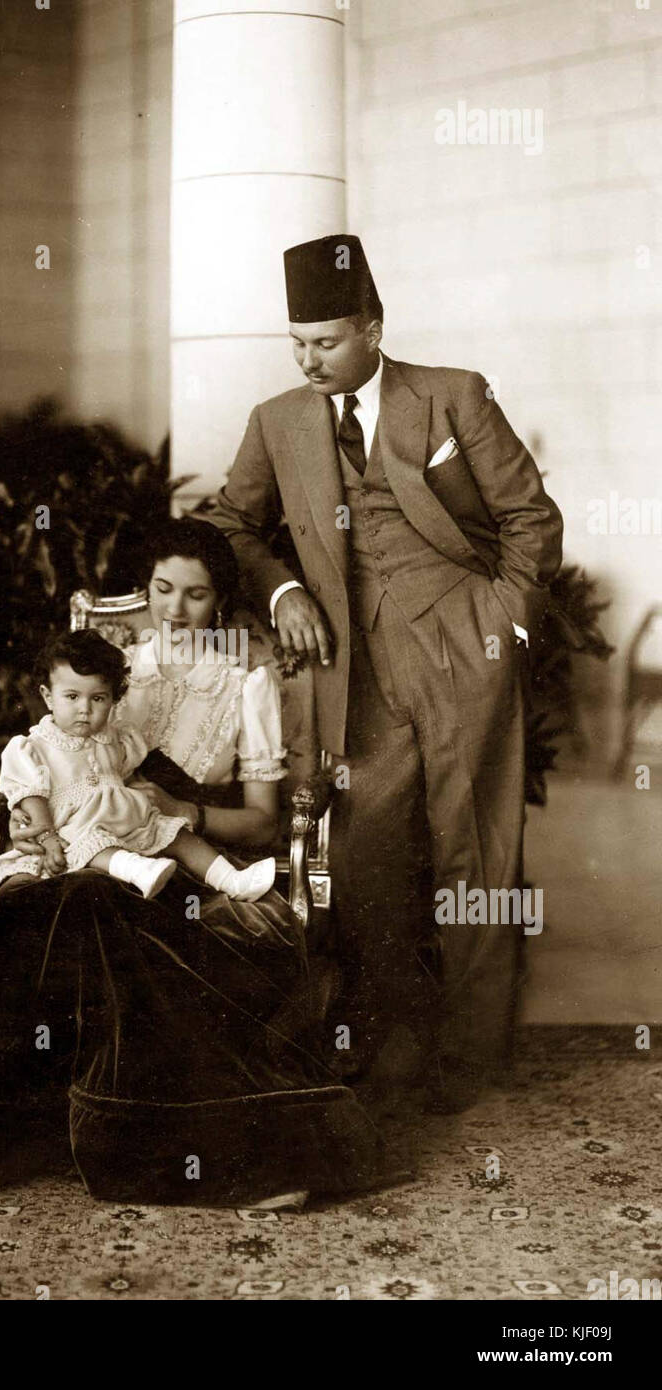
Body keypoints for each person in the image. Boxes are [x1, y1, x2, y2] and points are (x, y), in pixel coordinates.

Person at [0, 518, 404, 1207]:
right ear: (145, 588)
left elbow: (264, 819)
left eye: (195, 594)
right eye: (162, 588)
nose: (175, 607)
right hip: (81, 849)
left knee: (91, 904)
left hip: (164, 857)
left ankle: (202, 1151)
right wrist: (33, 818)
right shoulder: (111, 664)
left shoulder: (244, 680)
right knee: (29, 901)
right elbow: (46, 761)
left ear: (220, 600)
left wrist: (183, 813)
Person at [208, 234, 563, 1112]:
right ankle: (393, 1041)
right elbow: (228, 525)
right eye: (297, 343)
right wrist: (285, 586)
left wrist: (506, 624)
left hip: (461, 648)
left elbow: (532, 520)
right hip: (350, 669)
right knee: (366, 857)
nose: (308, 359)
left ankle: (474, 1060)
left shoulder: (452, 396)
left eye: (325, 342)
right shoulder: (276, 421)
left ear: (371, 328)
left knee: (475, 848)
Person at [0, 628, 276, 903]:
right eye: (72, 697)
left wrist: (150, 815)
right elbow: (31, 797)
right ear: (48, 697)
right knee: (95, 841)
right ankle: (138, 871)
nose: (85, 709)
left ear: (113, 700)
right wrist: (47, 837)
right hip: (69, 830)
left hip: (122, 824)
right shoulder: (34, 746)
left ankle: (232, 880)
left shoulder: (117, 738)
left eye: (97, 698)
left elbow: (127, 776)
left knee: (176, 834)